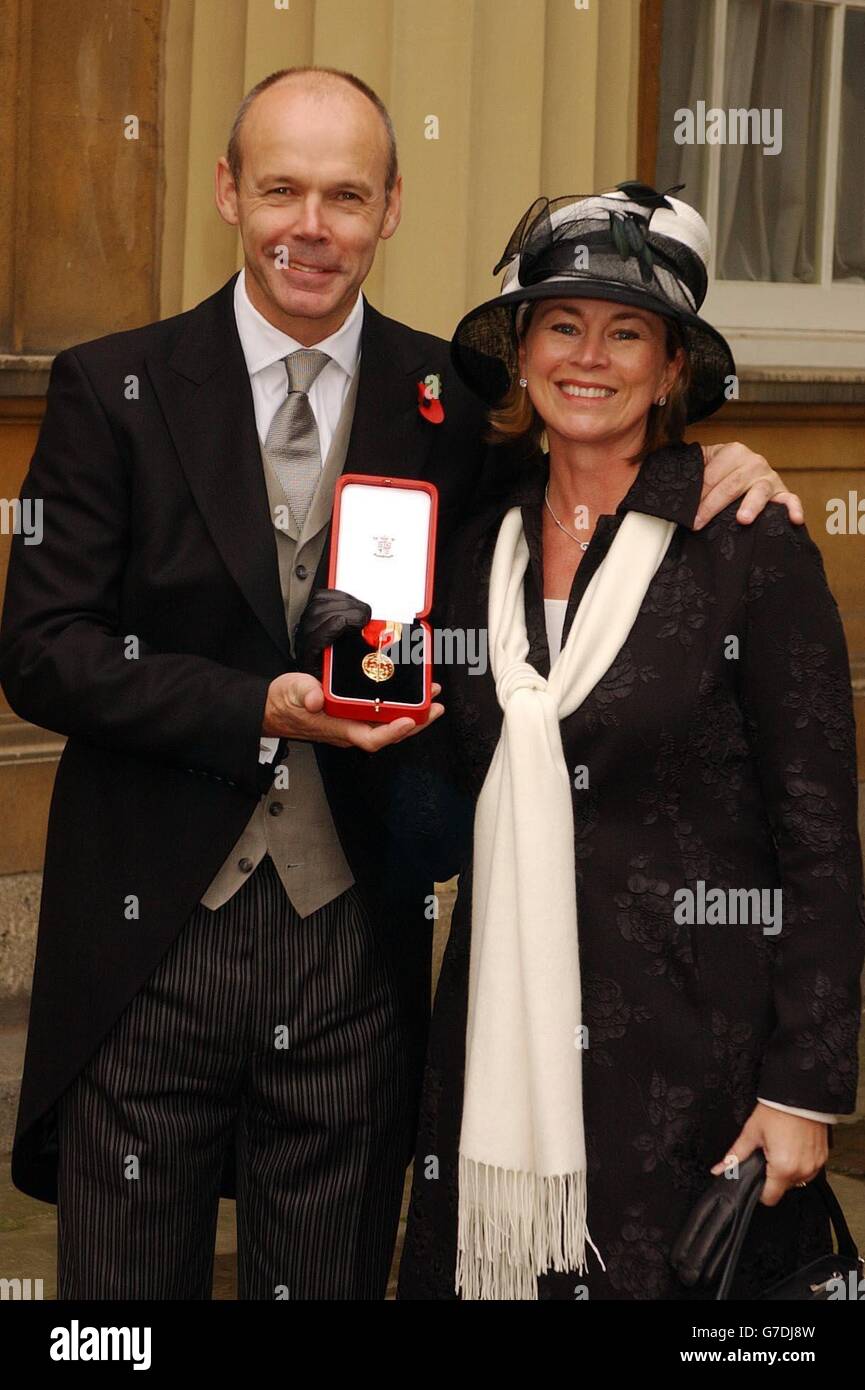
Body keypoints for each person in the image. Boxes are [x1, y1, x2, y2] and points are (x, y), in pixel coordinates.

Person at [0, 62, 802, 1300]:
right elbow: (41, 649)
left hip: (359, 957)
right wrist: (256, 704)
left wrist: (710, 466)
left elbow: (586, 470)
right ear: (227, 192)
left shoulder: (457, 400)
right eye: (280, 190)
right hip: (146, 950)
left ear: (391, 209)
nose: (310, 228)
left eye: (344, 195)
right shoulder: (114, 387)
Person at [392, 186, 865, 1301]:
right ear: (520, 352)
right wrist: (364, 684)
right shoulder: (478, 554)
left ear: (670, 371)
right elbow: (438, 814)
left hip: (691, 1072)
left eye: (626, 332)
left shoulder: (747, 545)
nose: (588, 356)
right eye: (562, 324)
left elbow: (821, 840)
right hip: (500, 1061)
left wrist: (804, 1088)